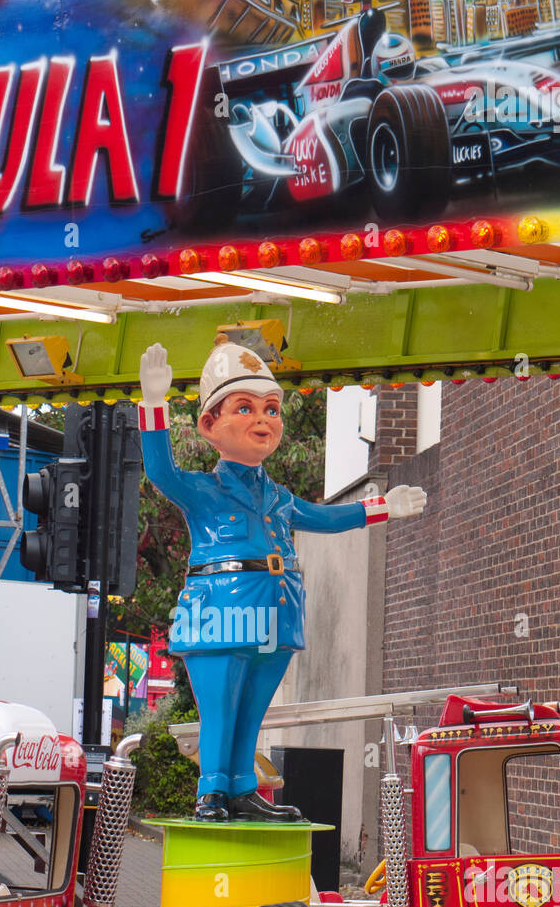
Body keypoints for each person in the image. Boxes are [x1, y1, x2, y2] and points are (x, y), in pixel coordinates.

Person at [138, 340, 427, 821]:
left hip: (276, 613)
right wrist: (153, 404)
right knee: (220, 708)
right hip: (219, 612)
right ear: (210, 425)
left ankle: (240, 789)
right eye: (245, 408)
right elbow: (160, 471)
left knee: (251, 711)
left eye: (271, 409)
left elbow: (326, 517)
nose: (263, 420)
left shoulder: (279, 497)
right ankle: (211, 792)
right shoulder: (203, 490)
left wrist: (381, 507)